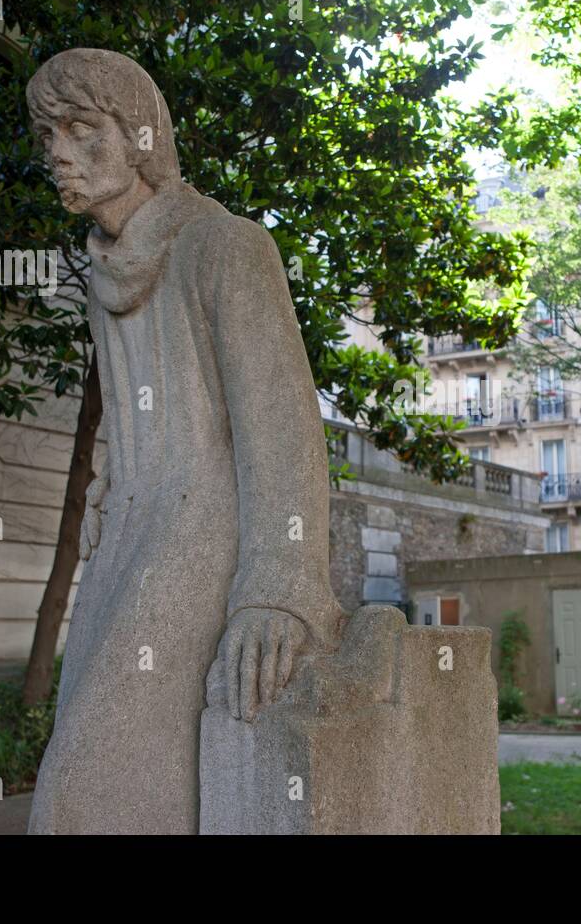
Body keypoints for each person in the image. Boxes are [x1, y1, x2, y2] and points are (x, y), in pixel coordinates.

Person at [25, 48, 345, 833]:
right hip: (126, 543)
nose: (58, 152)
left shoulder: (226, 247)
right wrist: (106, 486)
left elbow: (281, 428)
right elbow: (140, 416)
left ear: (138, 137)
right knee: (94, 768)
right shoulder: (103, 277)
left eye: (80, 128)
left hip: (207, 540)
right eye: (46, 135)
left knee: (85, 783)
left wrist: (279, 589)